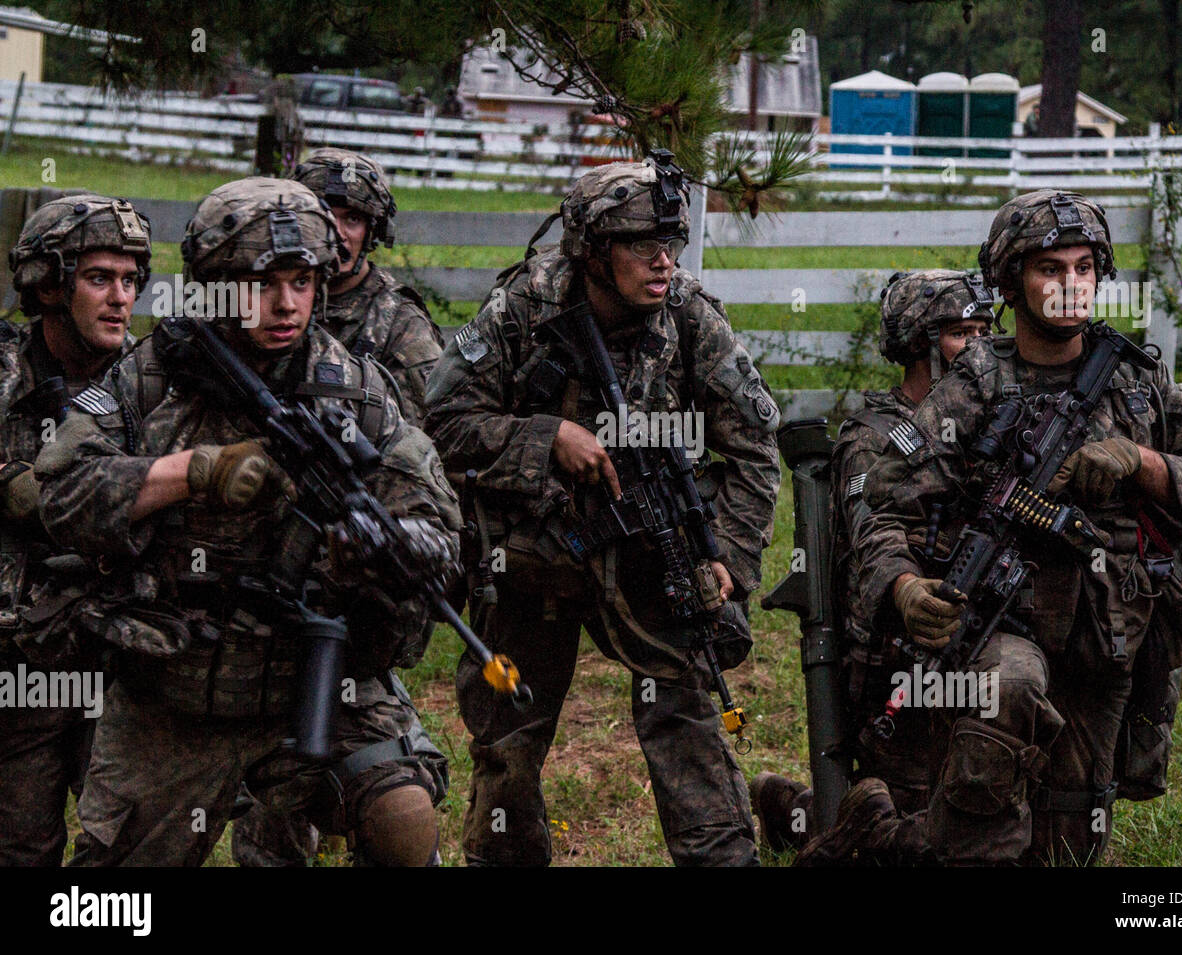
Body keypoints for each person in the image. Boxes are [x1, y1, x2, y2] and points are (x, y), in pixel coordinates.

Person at [34, 177, 461, 867]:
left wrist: (392, 548)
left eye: (302, 280)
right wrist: (190, 471)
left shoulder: (354, 387)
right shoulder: (148, 380)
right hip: (176, 690)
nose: (287, 303)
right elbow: (62, 495)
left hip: (315, 676)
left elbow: (436, 523)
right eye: (263, 283)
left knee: (403, 817)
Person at [851, 189, 1182, 865]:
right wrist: (906, 587)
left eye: (1084, 268)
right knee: (995, 768)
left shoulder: (1140, 385)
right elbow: (887, 510)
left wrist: (1140, 461)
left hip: (1107, 634)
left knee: (1066, 846)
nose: (1071, 286)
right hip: (999, 630)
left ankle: (878, 837)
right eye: (1050, 270)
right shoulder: (972, 387)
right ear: (1011, 281)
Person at [424, 154, 781, 866]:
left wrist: (729, 562)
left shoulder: (690, 318)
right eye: (641, 244)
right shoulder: (526, 305)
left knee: (686, 718)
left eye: (671, 244)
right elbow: (439, 418)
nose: (663, 261)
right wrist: (545, 438)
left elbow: (752, 448)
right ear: (592, 250)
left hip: (656, 555)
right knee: (509, 740)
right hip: (534, 559)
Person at [229, 147, 446, 867]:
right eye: (326, 211)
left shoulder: (399, 330)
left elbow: (428, 452)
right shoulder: (229, 322)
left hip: (354, 567)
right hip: (247, 577)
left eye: (353, 215)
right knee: (270, 812)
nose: (338, 226)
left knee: (387, 793)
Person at [749, 269, 991, 856]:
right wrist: (909, 590)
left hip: (976, 640)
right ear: (918, 345)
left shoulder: (984, 422)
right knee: (898, 833)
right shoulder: (874, 439)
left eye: (986, 331)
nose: (980, 349)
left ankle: (790, 805)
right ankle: (796, 810)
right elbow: (870, 541)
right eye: (963, 334)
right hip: (895, 660)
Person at [0, 194, 150, 865]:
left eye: (130, 280)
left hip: (124, 657)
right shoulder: (6, 374)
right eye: (99, 279)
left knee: (123, 848)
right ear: (50, 286)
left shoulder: (153, 383)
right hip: (20, 659)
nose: (120, 298)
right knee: (22, 844)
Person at [289, 147, 443, 421]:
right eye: (323, 215)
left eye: (353, 219)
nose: (337, 234)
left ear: (373, 231)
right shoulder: (271, 299)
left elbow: (424, 430)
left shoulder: (399, 322)